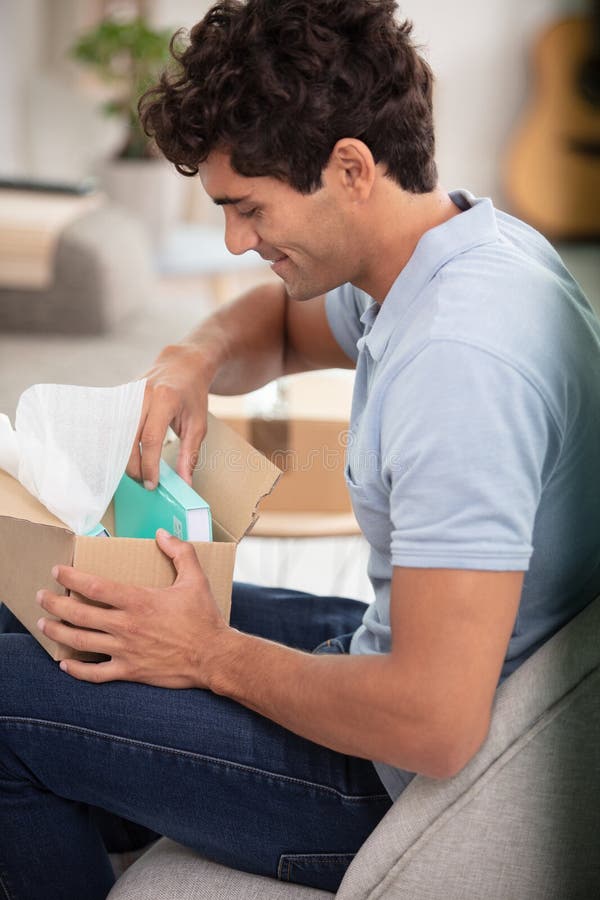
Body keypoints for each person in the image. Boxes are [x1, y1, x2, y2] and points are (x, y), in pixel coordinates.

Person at [1, 0, 599, 897]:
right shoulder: (447, 254)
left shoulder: (461, 366)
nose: (237, 242)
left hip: (397, 783)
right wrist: (190, 359)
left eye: (249, 209)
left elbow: (436, 723)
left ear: (350, 167)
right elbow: (282, 326)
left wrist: (204, 655)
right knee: (48, 609)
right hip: (384, 663)